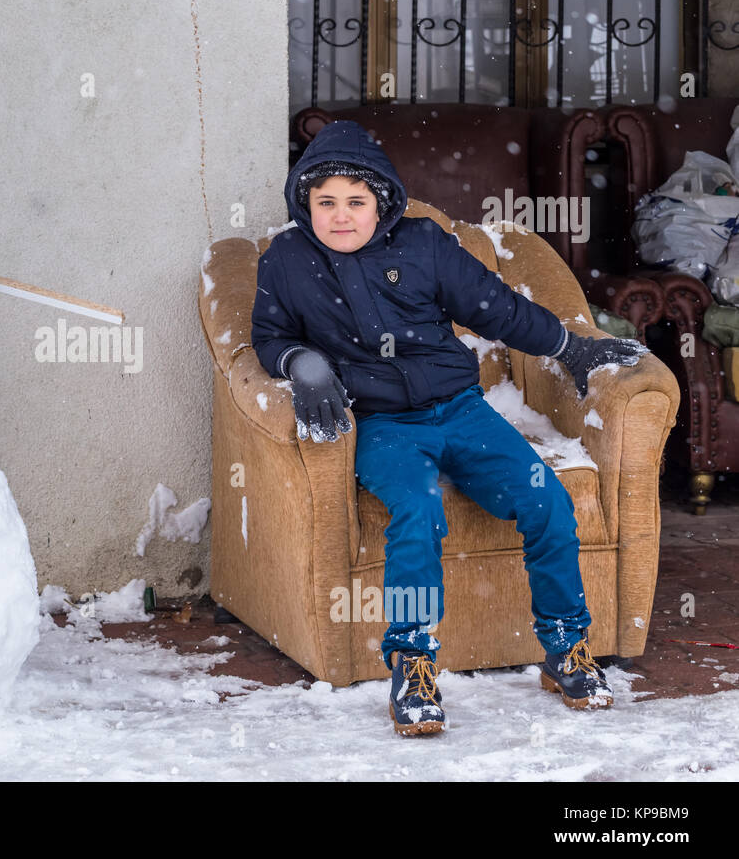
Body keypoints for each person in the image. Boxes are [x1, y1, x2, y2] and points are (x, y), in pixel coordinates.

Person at [250, 120, 646, 737]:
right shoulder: (286, 260)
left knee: (546, 499)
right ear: (305, 203)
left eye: (355, 202)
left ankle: (566, 648)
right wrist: (300, 361)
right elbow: (269, 336)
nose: (341, 217)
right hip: (382, 425)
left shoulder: (423, 244)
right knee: (416, 510)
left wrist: (568, 346)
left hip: (460, 411)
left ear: (380, 201)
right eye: (325, 202)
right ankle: (412, 664)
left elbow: (497, 307)